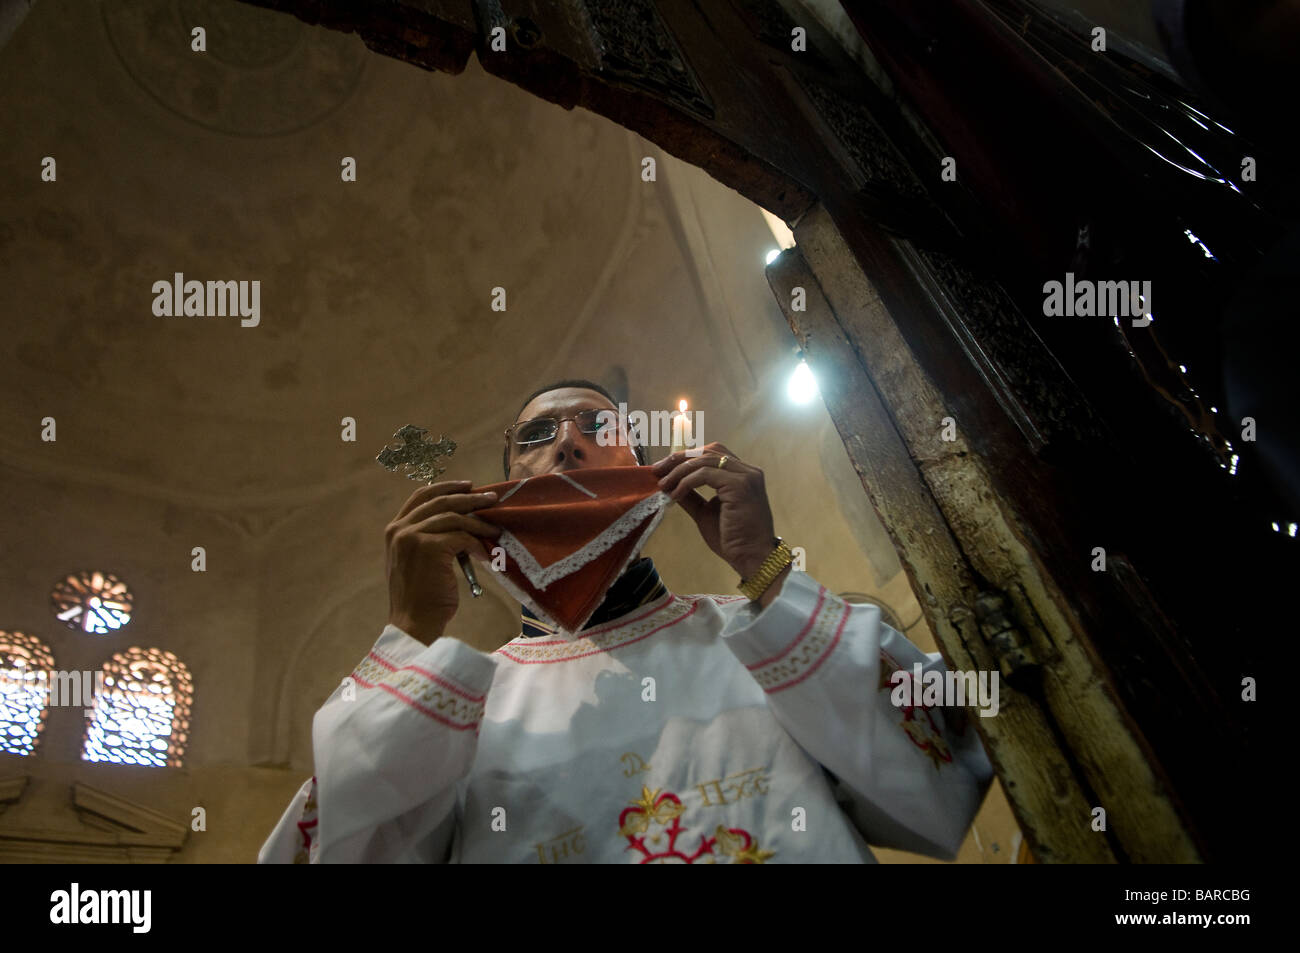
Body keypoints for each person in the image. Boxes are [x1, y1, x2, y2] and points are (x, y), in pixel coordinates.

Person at [258, 379, 993, 863]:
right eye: (538, 434)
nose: (568, 443)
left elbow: (942, 769)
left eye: (596, 426)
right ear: (504, 485)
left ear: (646, 466)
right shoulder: (453, 707)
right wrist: (411, 633)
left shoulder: (765, 632)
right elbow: (334, 850)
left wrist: (766, 566)